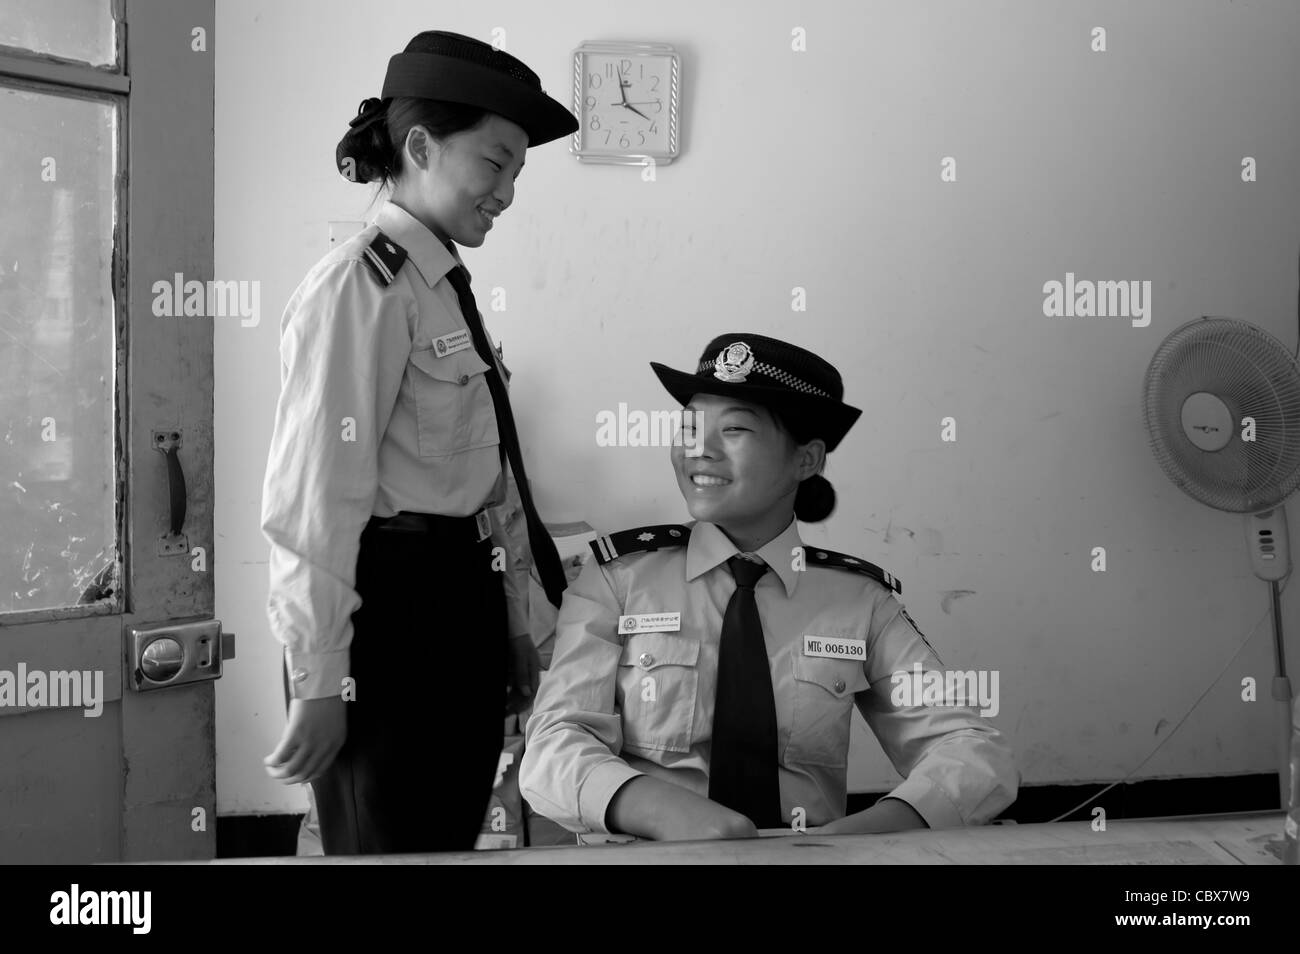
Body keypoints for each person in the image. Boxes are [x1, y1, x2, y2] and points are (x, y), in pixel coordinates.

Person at [260, 30, 578, 855]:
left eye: (515, 173)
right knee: (389, 848)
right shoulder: (360, 288)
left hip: (459, 600)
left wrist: (510, 624)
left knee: (444, 843)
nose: (506, 192)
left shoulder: (438, 288)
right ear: (421, 144)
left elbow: (490, 481)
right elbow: (314, 503)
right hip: (388, 619)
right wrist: (322, 680)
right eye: (495, 162)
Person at [519, 333, 1019, 840]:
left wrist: (865, 834)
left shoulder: (859, 602)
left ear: (806, 459)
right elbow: (552, 747)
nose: (700, 450)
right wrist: (664, 814)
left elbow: (974, 752)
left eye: (734, 429)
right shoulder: (617, 581)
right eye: (690, 426)